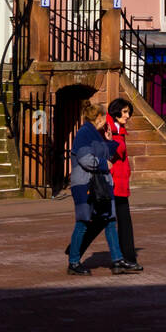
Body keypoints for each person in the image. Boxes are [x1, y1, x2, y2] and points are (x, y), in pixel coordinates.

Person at [77, 99, 143, 271]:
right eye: (125, 112)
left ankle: (122, 259)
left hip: (119, 182)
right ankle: (122, 259)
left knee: (109, 221)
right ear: (116, 112)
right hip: (110, 183)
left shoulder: (118, 130)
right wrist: (109, 142)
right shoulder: (107, 129)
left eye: (129, 112)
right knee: (102, 221)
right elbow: (100, 153)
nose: (128, 116)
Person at [67, 101, 131, 276]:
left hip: (100, 184)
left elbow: (107, 154)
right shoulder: (83, 133)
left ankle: (117, 260)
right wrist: (104, 164)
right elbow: (86, 159)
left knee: (109, 220)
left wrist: (109, 142)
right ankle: (73, 262)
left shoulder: (97, 134)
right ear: (99, 117)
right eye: (104, 117)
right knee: (83, 222)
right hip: (85, 185)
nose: (106, 121)